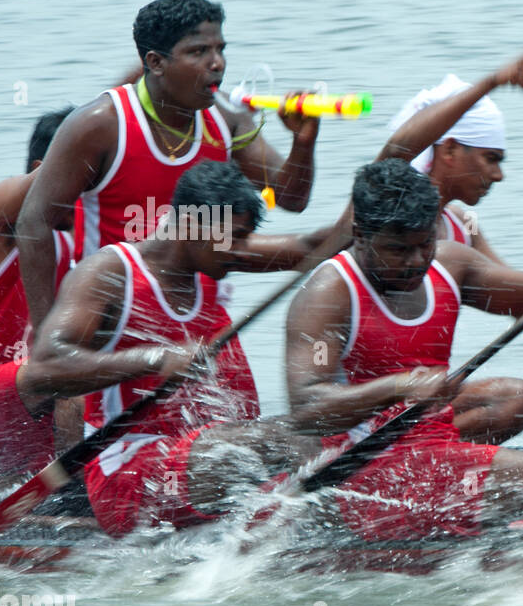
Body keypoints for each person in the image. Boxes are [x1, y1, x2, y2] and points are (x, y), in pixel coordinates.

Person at [283, 158, 523, 541]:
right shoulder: (329, 294)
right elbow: (307, 410)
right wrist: (398, 386)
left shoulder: (451, 263)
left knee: (517, 397)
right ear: (360, 235)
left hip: (428, 440)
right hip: (364, 465)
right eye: (398, 250)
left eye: (425, 244)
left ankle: (466, 491)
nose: (417, 261)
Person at [20, 161, 334, 536]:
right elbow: (44, 369)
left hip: (201, 460)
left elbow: (314, 246)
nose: (240, 251)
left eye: (245, 237)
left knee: (324, 429)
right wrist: (156, 358)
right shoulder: (109, 274)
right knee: (286, 440)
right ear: (190, 225)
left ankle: (295, 532)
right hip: (130, 478)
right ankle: (314, 537)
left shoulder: (210, 259)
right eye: (233, 237)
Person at [15, 0, 323, 329]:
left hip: (200, 314)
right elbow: (34, 224)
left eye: (220, 49)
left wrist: (302, 143)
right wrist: (45, 335)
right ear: (156, 62)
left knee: (318, 247)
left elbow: (291, 198)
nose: (217, 63)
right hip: (112, 319)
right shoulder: (98, 125)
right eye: (198, 52)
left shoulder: (229, 120)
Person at [377, 55, 523, 443]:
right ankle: (416, 454)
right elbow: (398, 150)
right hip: (364, 400)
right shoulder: (385, 207)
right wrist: (492, 81)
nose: (499, 175)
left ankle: (427, 453)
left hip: (422, 397)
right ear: (450, 149)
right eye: (491, 159)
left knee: (518, 399)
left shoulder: (463, 227)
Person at [0, 108, 82, 478]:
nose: (92, 194)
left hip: (25, 422)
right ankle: (74, 491)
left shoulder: (90, 245)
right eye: (84, 178)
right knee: (68, 373)